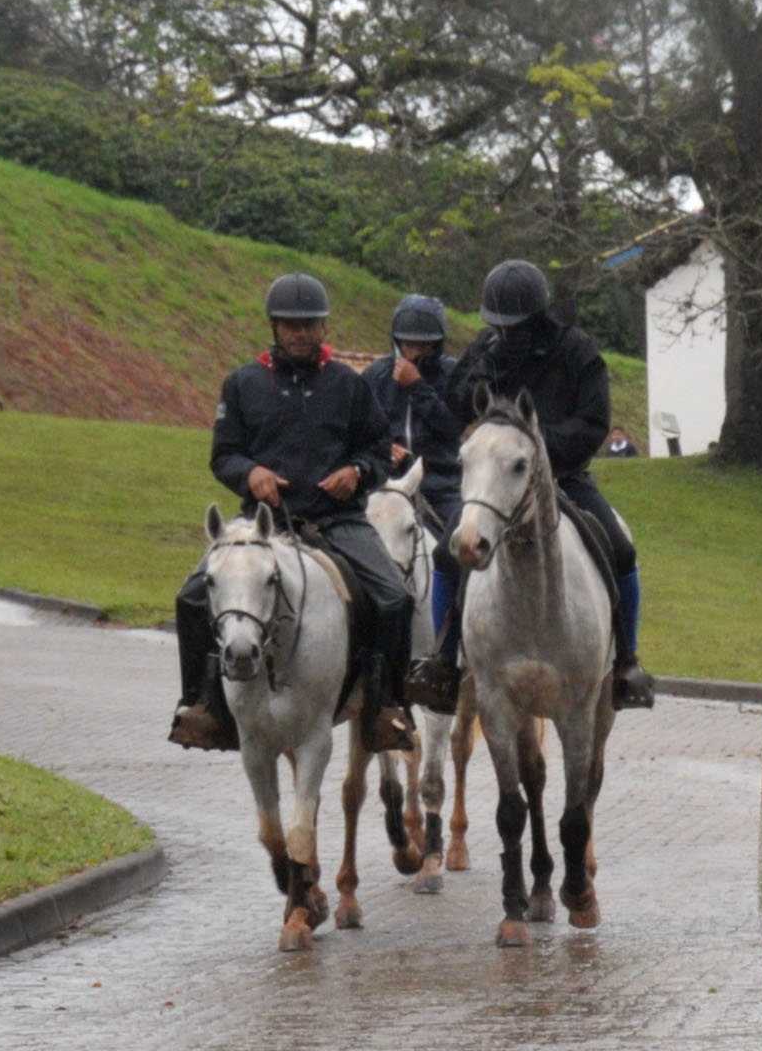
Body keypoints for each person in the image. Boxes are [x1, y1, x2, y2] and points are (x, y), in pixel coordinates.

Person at [168, 274, 418, 754]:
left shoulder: (349, 384)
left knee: (394, 597)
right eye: (291, 325)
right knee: (191, 597)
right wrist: (250, 473)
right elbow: (224, 455)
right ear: (274, 326)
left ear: (323, 327)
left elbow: (378, 450)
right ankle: (201, 705)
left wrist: (357, 472)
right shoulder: (243, 383)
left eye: (310, 325)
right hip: (262, 527)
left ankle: (387, 707)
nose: (301, 334)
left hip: (337, 521)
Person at [422, 259, 656, 711]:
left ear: (537, 316)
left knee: (620, 549)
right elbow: (455, 402)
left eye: (515, 326)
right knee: (446, 551)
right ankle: (443, 661)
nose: (506, 334)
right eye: (499, 326)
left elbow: (593, 423)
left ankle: (627, 660)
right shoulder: (489, 345)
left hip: (563, 477)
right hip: (498, 485)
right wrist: (477, 379)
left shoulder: (576, 351)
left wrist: (535, 446)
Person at [372, 294, 464, 661]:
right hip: (386, 483)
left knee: (460, 549)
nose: (413, 352)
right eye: (408, 343)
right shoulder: (377, 376)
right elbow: (364, 427)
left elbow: (452, 425)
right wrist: (383, 449)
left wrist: (417, 385)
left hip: (440, 481)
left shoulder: (451, 375)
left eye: (423, 345)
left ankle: (453, 645)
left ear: (436, 344)